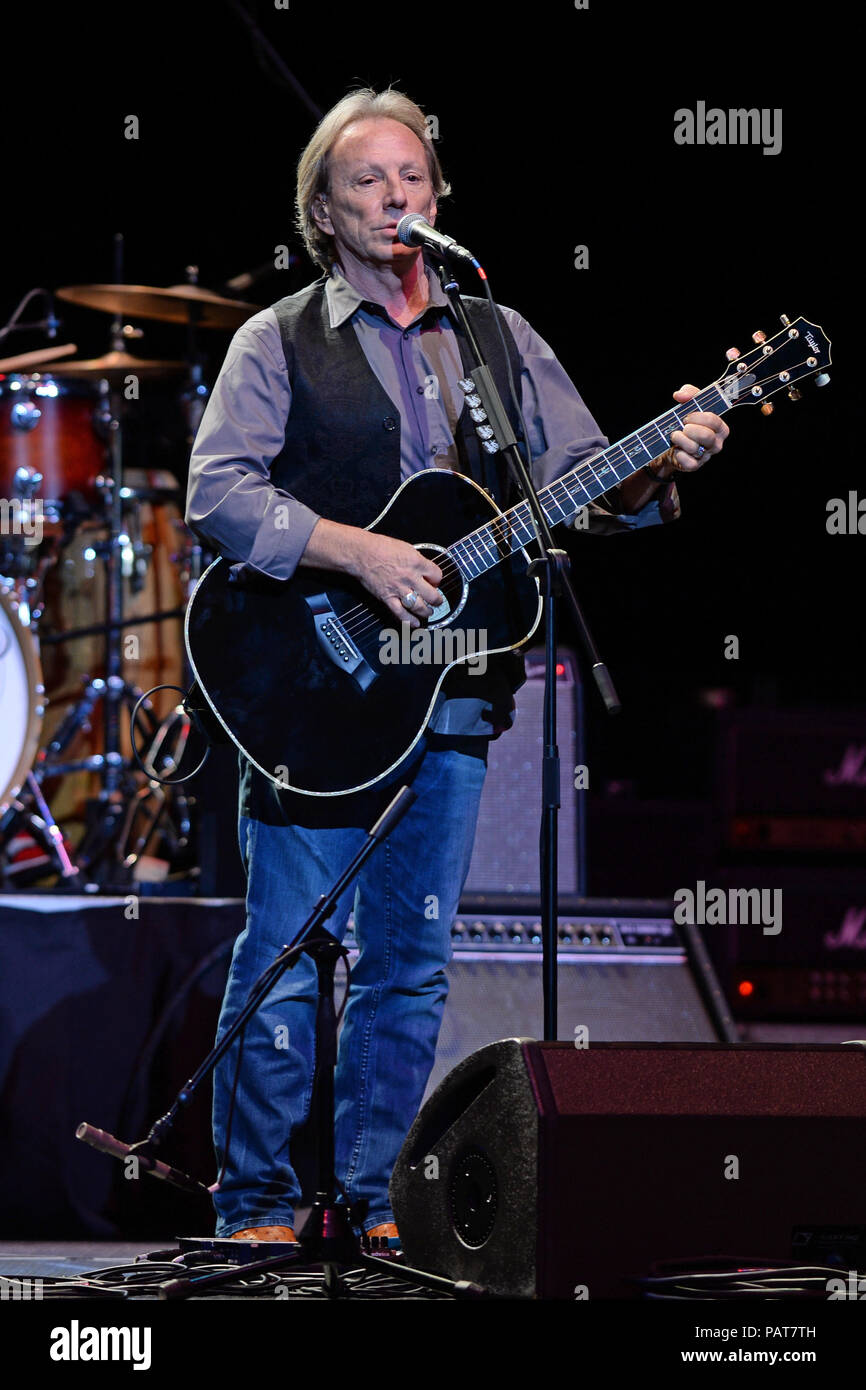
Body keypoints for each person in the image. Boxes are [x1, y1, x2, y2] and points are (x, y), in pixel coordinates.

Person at [185, 87, 730, 1244]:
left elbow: (591, 488)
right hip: (312, 689)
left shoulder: (496, 337)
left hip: (453, 690)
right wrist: (359, 554)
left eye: (412, 178)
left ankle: (377, 1206)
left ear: (438, 199)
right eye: (366, 182)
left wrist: (662, 458)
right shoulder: (275, 338)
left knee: (410, 963)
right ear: (321, 214)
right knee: (286, 951)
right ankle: (259, 1207)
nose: (395, 197)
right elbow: (218, 497)